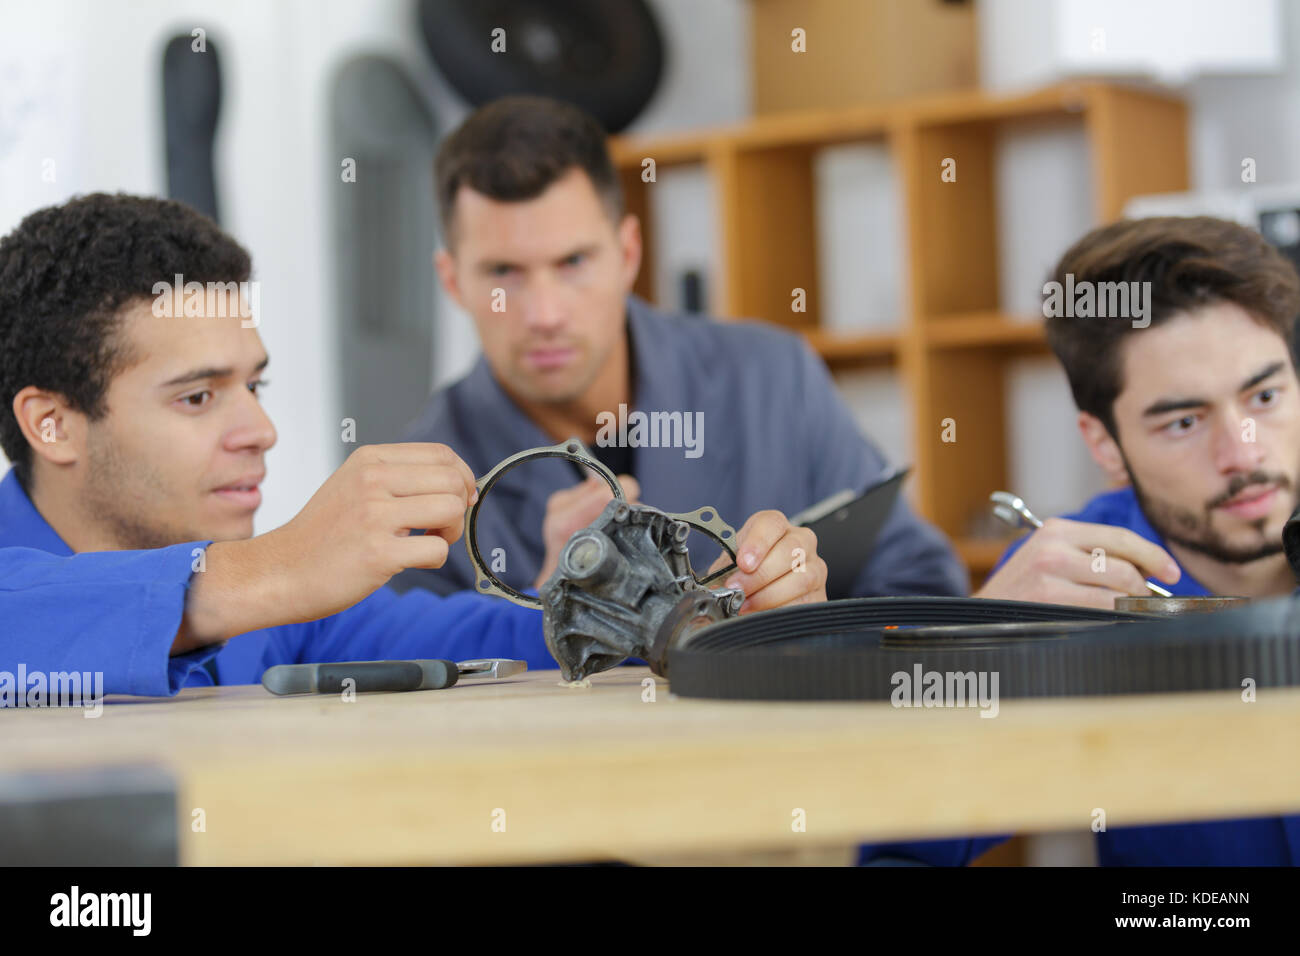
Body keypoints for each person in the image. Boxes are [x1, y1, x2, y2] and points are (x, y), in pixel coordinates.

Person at [0, 194, 824, 700]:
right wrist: (284, 564)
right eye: (197, 396)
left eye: (257, 386)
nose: (260, 430)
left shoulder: (279, 619)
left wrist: (683, 610)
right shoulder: (255, 588)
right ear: (52, 423)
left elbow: (481, 647)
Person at [396, 95, 963, 604]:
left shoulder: (772, 380)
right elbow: (414, 688)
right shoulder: (421, 482)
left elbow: (923, 589)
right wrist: (542, 609)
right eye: (503, 272)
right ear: (452, 282)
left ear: (628, 252)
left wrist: (808, 628)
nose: (546, 315)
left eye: (574, 262)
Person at [863, 216, 1300, 865]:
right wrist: (981, 653)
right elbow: (900, 846)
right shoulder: (1069, 584)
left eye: (1264, 394)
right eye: (1184, 421)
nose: (1243, 453)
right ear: (1105, 445)